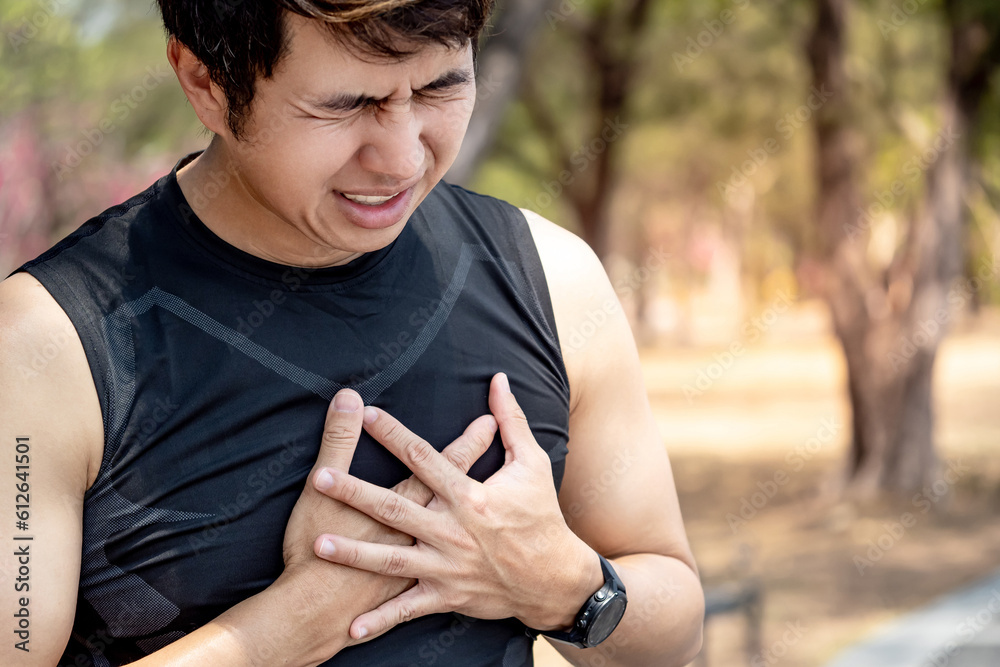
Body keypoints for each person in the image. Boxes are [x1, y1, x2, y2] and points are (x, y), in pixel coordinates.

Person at [0, 1, 704, 665]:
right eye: (346, 106)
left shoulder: (555, 278)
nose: (401, 158)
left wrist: (566, 586)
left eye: (437, 90)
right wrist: (285, 628)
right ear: (204, 81)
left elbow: (673, 622)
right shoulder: (45, 346)